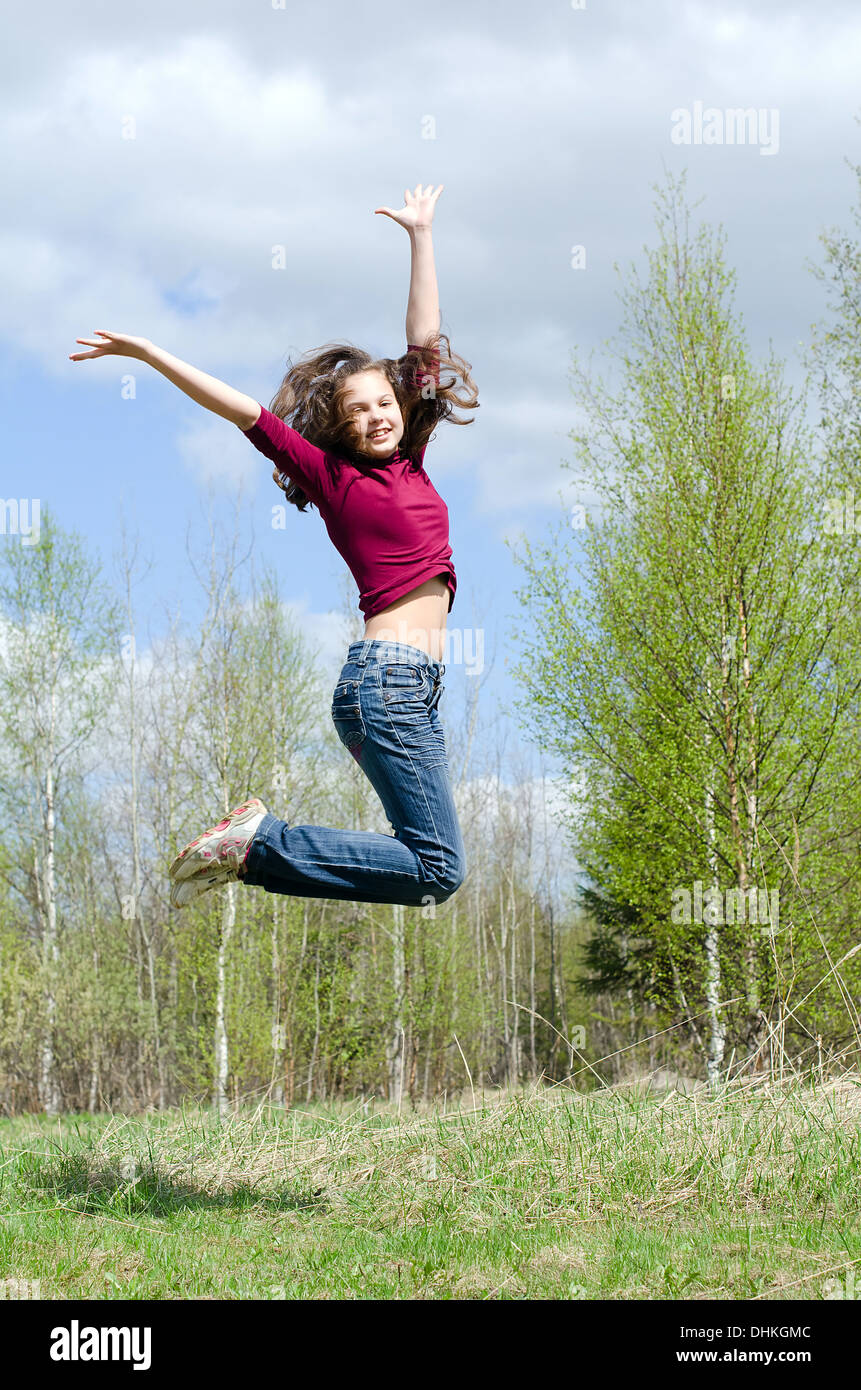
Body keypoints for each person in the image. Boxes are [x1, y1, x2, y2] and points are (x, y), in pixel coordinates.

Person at [70, 183, 479, 910]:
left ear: (401, 405)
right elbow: (245, 412)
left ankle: (253, 853)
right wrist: (149, 351)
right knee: (437, 868)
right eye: (359, 410)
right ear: (341, 425)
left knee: (430, 870)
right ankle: (259, 843)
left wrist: (419, 235)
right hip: (383, 684)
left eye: (385, 402)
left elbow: (422, 338)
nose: (377, 416)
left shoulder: (413, 459)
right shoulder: (332, 478)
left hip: (407, 693)